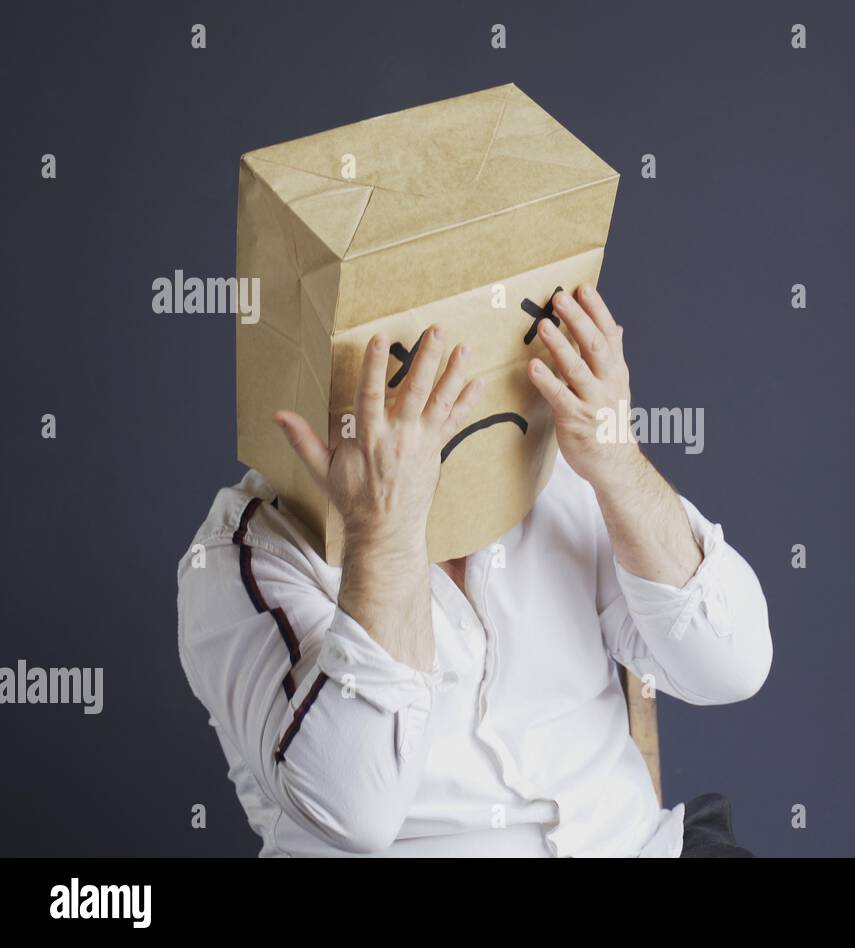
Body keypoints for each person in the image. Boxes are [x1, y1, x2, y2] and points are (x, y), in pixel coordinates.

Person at [177, 285, 772, 856]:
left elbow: (732, 667)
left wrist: (618, 460)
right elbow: (356, 811)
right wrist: (384, 532)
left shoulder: (553, 468)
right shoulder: (242, 558)